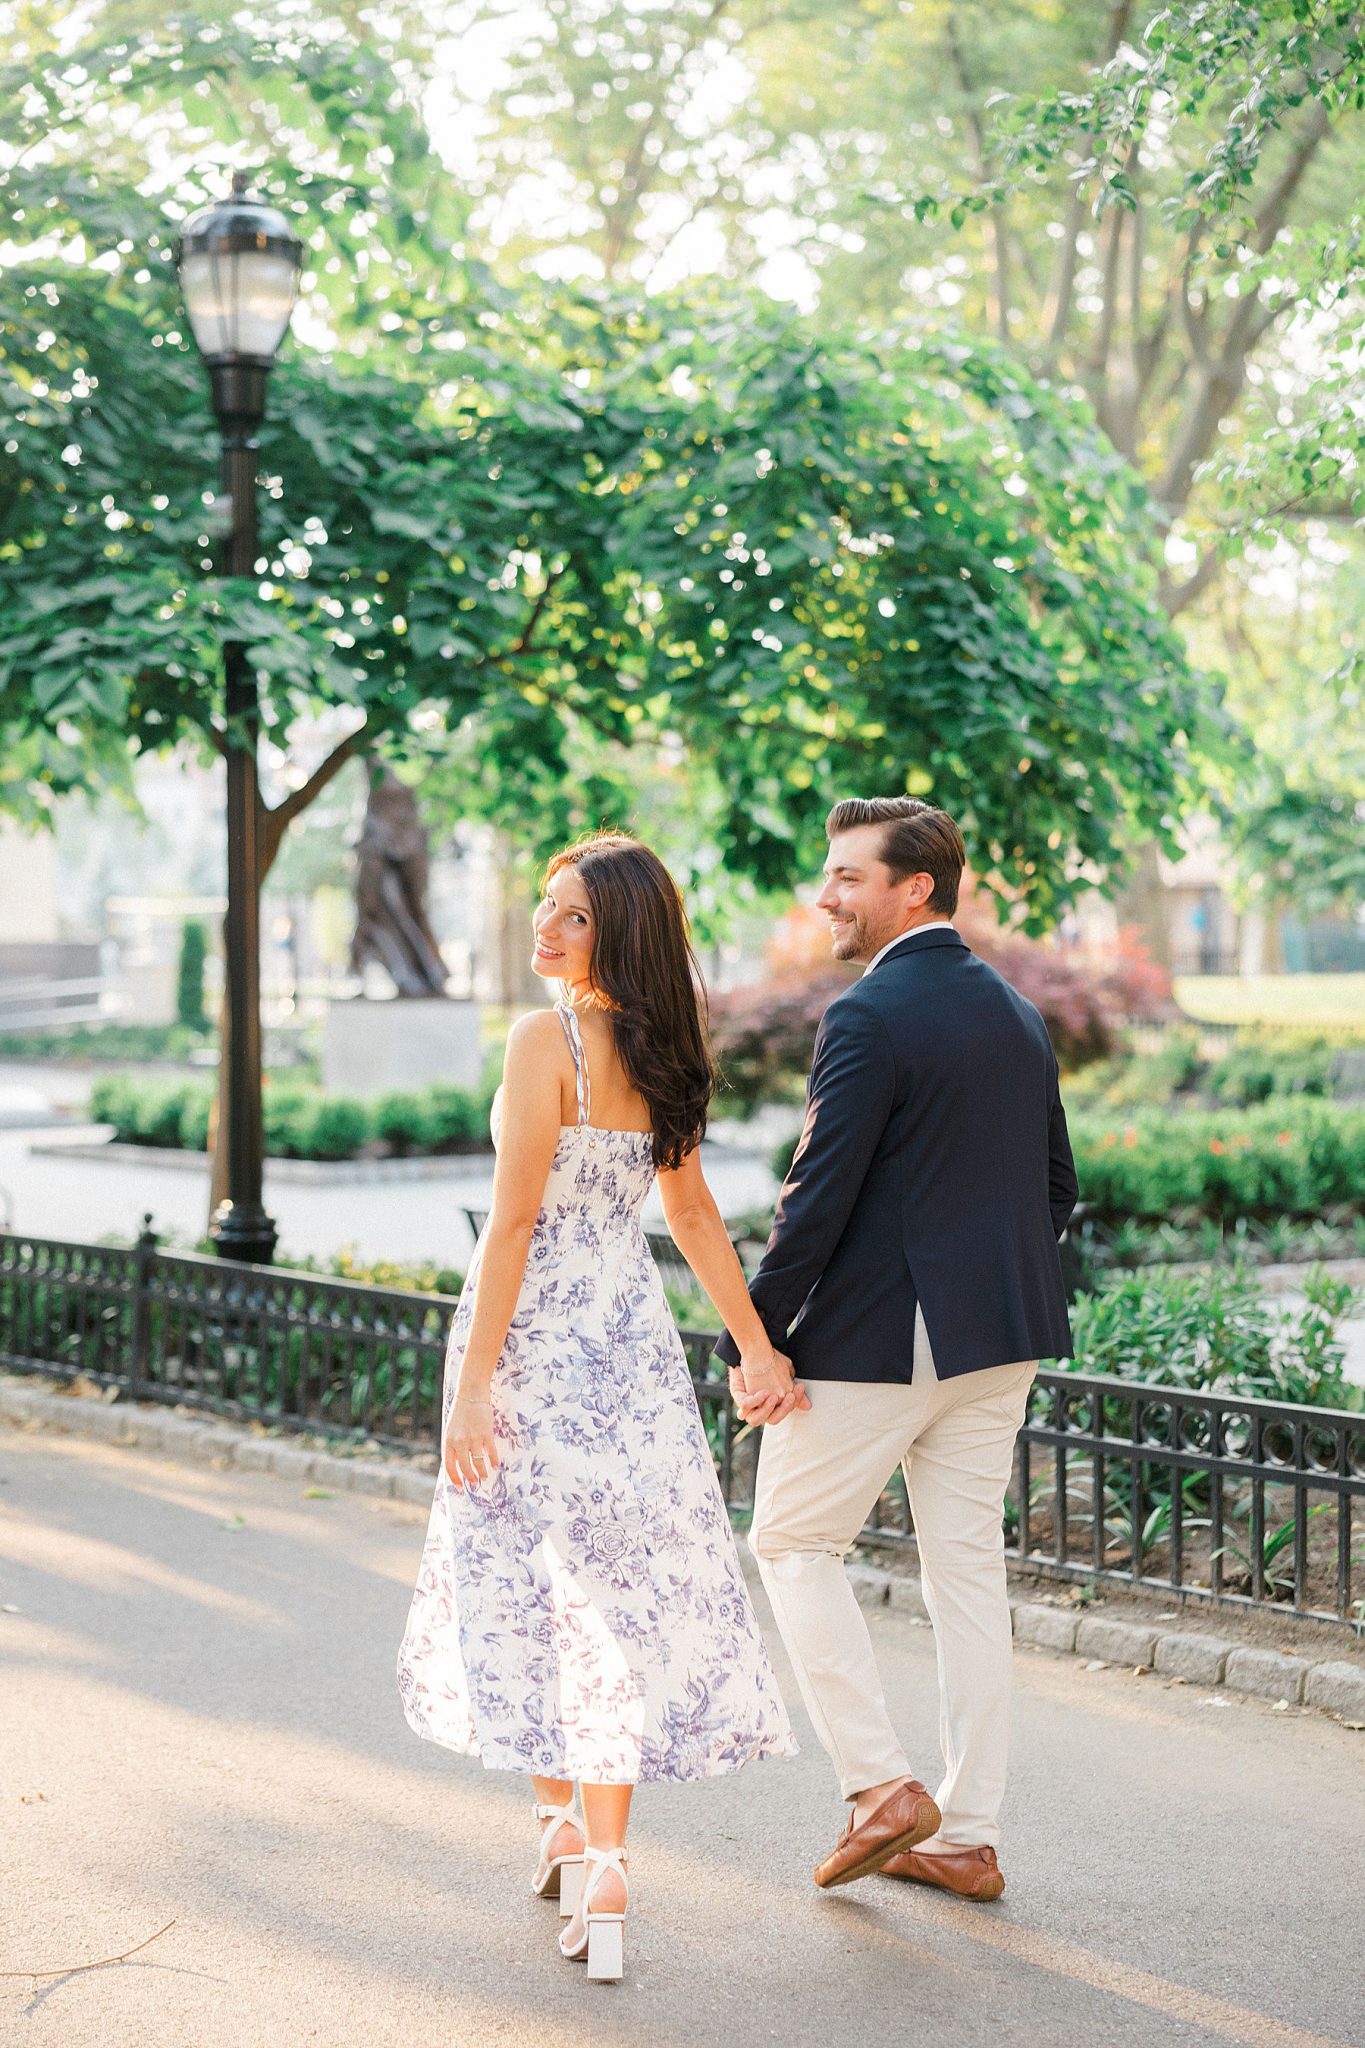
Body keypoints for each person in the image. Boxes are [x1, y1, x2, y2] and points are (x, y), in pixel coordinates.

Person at [397, 833, 798, 1984]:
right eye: (545, 905)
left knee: (521, 1574)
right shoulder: (667, 1046)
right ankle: (597, 1846)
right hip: (628, 1346)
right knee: (618, 1586)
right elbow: (694, 1214)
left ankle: (563, 1819)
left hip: (528, 1344)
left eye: (570, 914)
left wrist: (473, 1387)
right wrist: (756, 1347)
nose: (543, 924)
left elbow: (515, 1222)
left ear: (615, 931)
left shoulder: (547, 1038)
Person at [719, 796, 1078, 1902]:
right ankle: (965, 1833)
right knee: (966, 1573)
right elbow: (1057, 1191)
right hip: (1002, 1334)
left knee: (791, 1543)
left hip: (888, 1335)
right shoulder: (1017, 1013)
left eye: (846, 876)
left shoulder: (870, 1013)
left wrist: (760, 1340)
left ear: (912, 887)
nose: (825, 895)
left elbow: (813, 1199)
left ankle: (879, 1786)